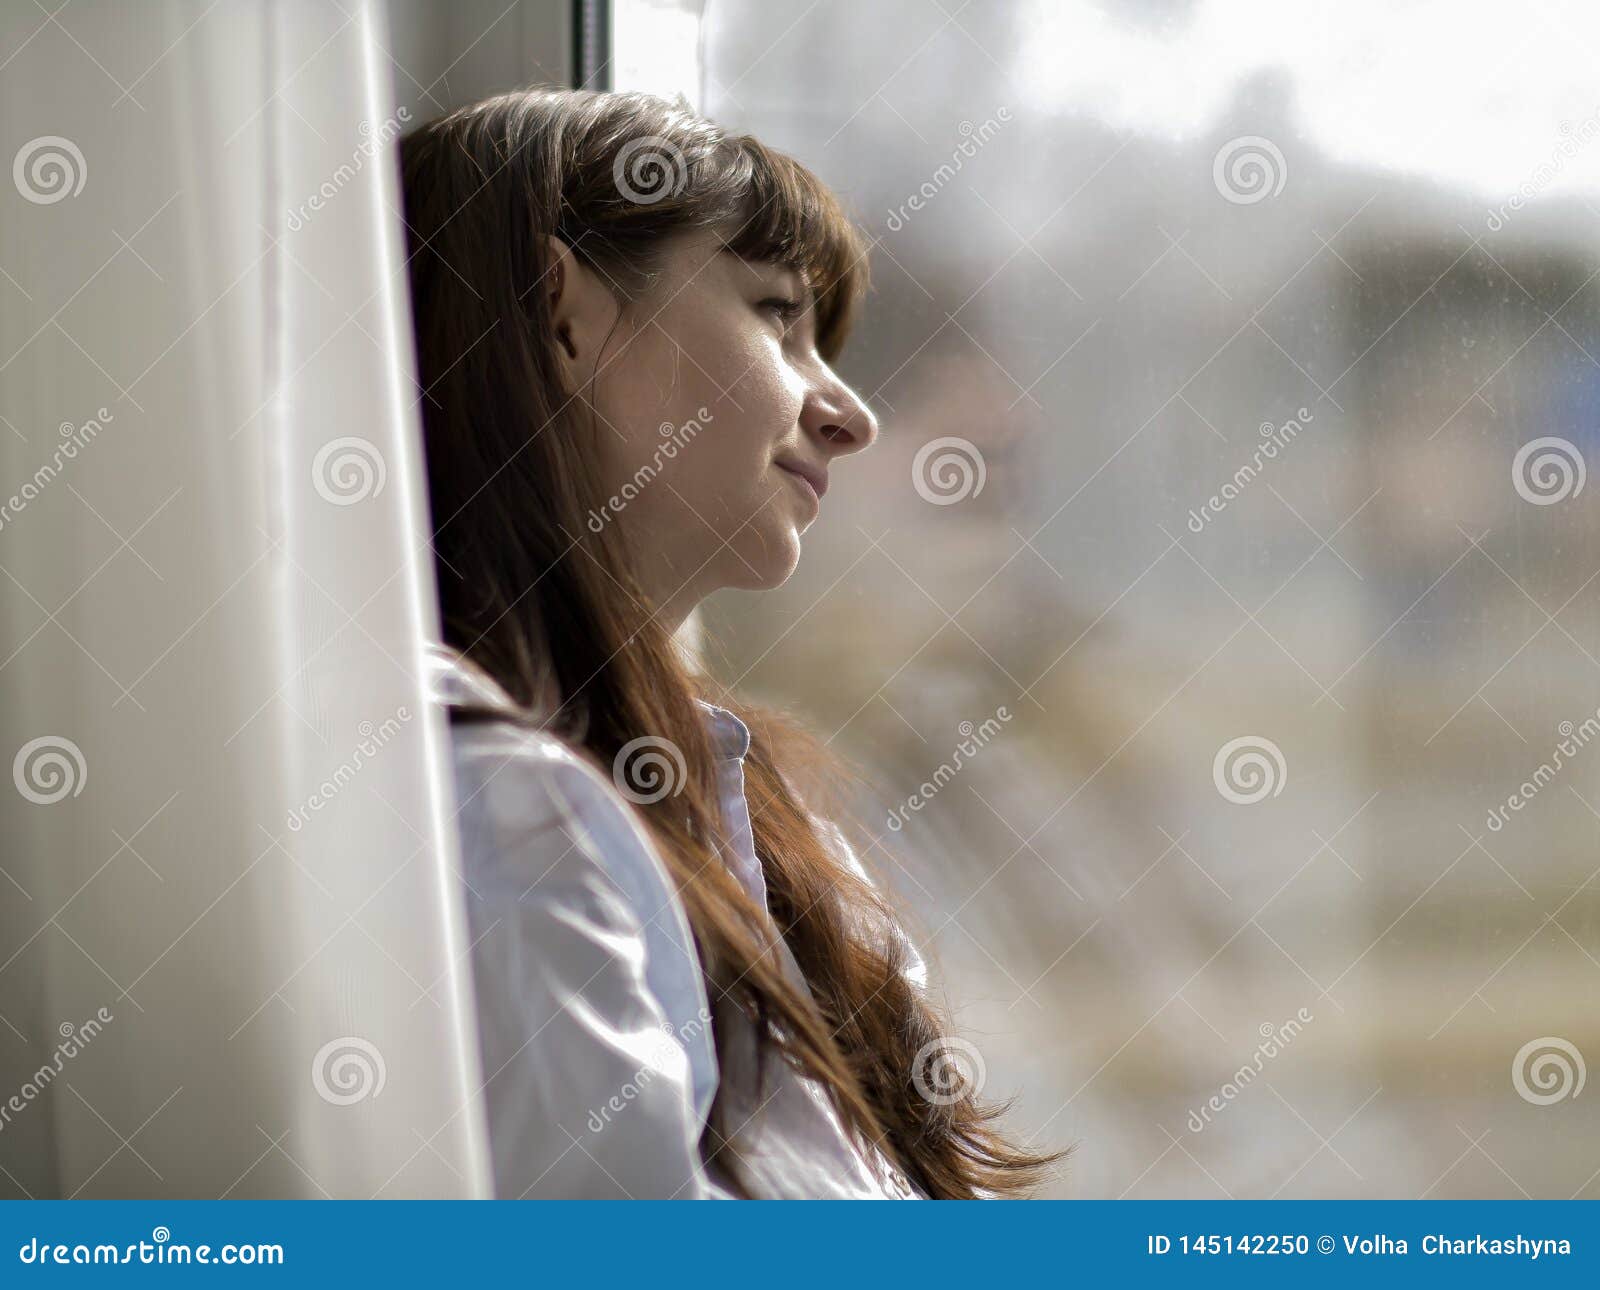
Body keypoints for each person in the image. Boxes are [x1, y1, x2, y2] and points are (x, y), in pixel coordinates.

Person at [399, 87, 1060, 1199]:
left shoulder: (762, 825)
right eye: (775, 315)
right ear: (564, 317)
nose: (849, 415)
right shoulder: (488, 813)